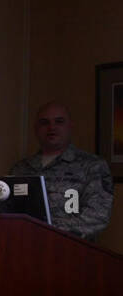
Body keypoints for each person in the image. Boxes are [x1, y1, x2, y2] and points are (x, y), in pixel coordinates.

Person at [9, 101, 114, 240]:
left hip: (71, 252)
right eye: (44, 122)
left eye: (59, 121)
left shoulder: (92, 166)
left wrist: (46, 230)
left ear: (70, 126)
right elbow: (9, 212)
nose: (51, 127)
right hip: (24, 248)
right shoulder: (20, 169)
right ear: (36, 128)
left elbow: (96, 217)